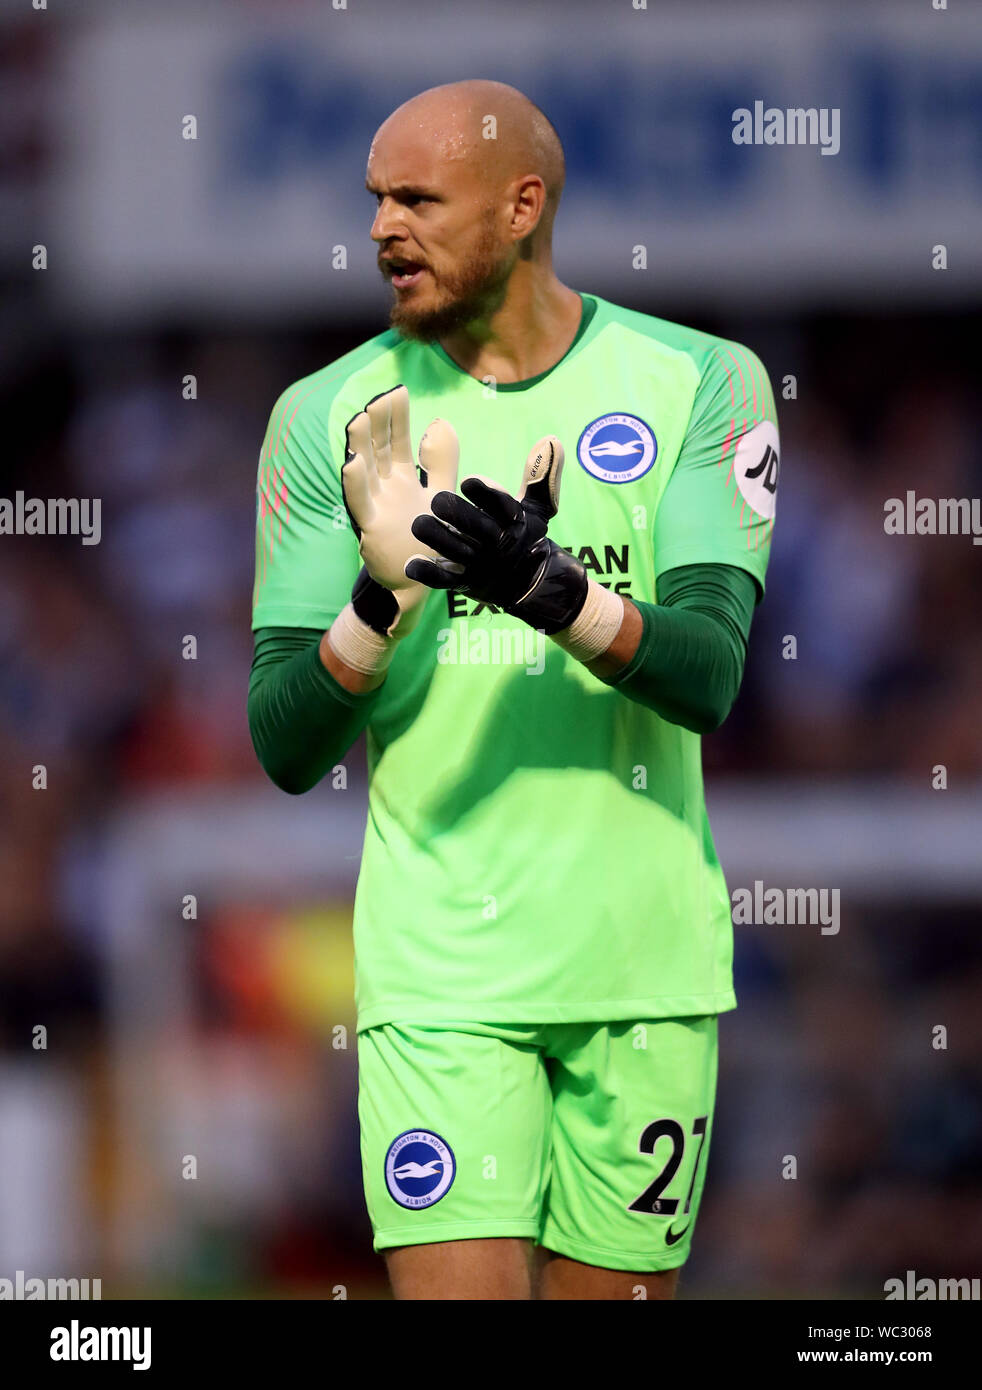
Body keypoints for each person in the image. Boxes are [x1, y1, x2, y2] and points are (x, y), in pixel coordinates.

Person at [248, 78, 779, 1300]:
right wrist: (381, 608)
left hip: (642, 973)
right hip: (441, 978)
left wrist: (556, 593)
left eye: (419, 199)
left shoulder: (702, 383)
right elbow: (282, 739)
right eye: (374, 199)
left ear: (522, 205)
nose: (384, 227)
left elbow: (708, 676)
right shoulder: (331, 415)